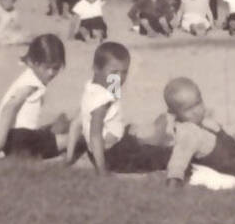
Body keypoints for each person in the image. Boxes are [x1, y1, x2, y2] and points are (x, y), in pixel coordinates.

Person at [68, 42, 172, 175]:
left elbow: (76, 124)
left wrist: (68, 158)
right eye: (114, 72)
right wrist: (101, 170)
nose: (120, 78)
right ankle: (163, 144)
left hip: (113, 145)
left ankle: (153, 137)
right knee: (160, 157)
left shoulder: (93, 88)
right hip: (113, 156)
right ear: (96, 68)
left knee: (134, 132)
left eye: (124, 72)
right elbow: (95, 136)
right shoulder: (102, 101)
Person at [0, 34, 71, 159]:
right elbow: (10, 107)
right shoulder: (30, 84)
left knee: (60, 125)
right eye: (46, 67)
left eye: (56, 68)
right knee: (74, 139)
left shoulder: (30, 77)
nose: (51, 73)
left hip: (19, 137)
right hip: (21, 139)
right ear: (33, 63)